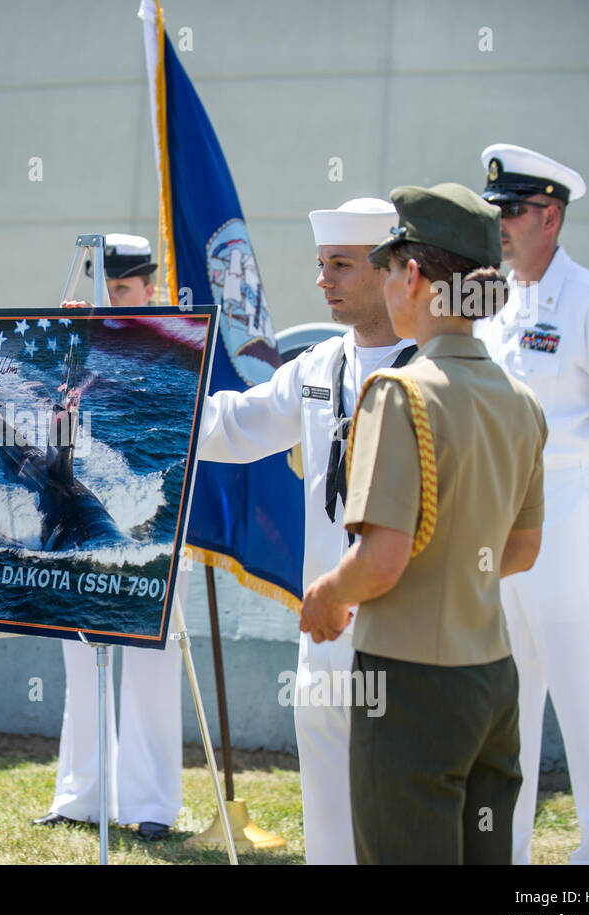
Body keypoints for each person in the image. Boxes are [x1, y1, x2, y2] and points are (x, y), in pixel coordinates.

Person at [299, 183, 548, 864]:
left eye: (386, 268)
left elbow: (381, 561)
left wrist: (326, 594)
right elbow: (520, 549)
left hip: (410, 685)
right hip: (492, 679)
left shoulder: (399, 394)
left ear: (412, 275)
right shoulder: (521, 400)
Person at [196, 199, 416, 863]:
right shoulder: (319, 364)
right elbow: (233, 425)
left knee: (405, 822)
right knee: (327, 822)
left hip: (410, 636)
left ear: (393, 272)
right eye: (321, 265)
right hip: (326, 631)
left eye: (341, 265)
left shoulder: (440, 369)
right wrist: (133, 396)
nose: (323, 280)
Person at [474, 144, 589, 865]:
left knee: (582, 681)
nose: (503, 224)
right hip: (504, 515)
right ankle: (509, 848)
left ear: (550, 215)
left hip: (568, 508)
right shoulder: (499, 301)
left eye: (513, 210)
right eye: (498, 211)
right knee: (509, 690)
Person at [34, 234, 184, 841]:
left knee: (152, 660)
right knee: (81, 651)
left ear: (148, 287)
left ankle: (151, 804)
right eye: (106, 292)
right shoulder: (80, 351)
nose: (113, 302)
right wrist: (67, 347)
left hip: (150, 524)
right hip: (86, 517)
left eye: (122, 290)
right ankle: (82, 794)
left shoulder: (168, 345)